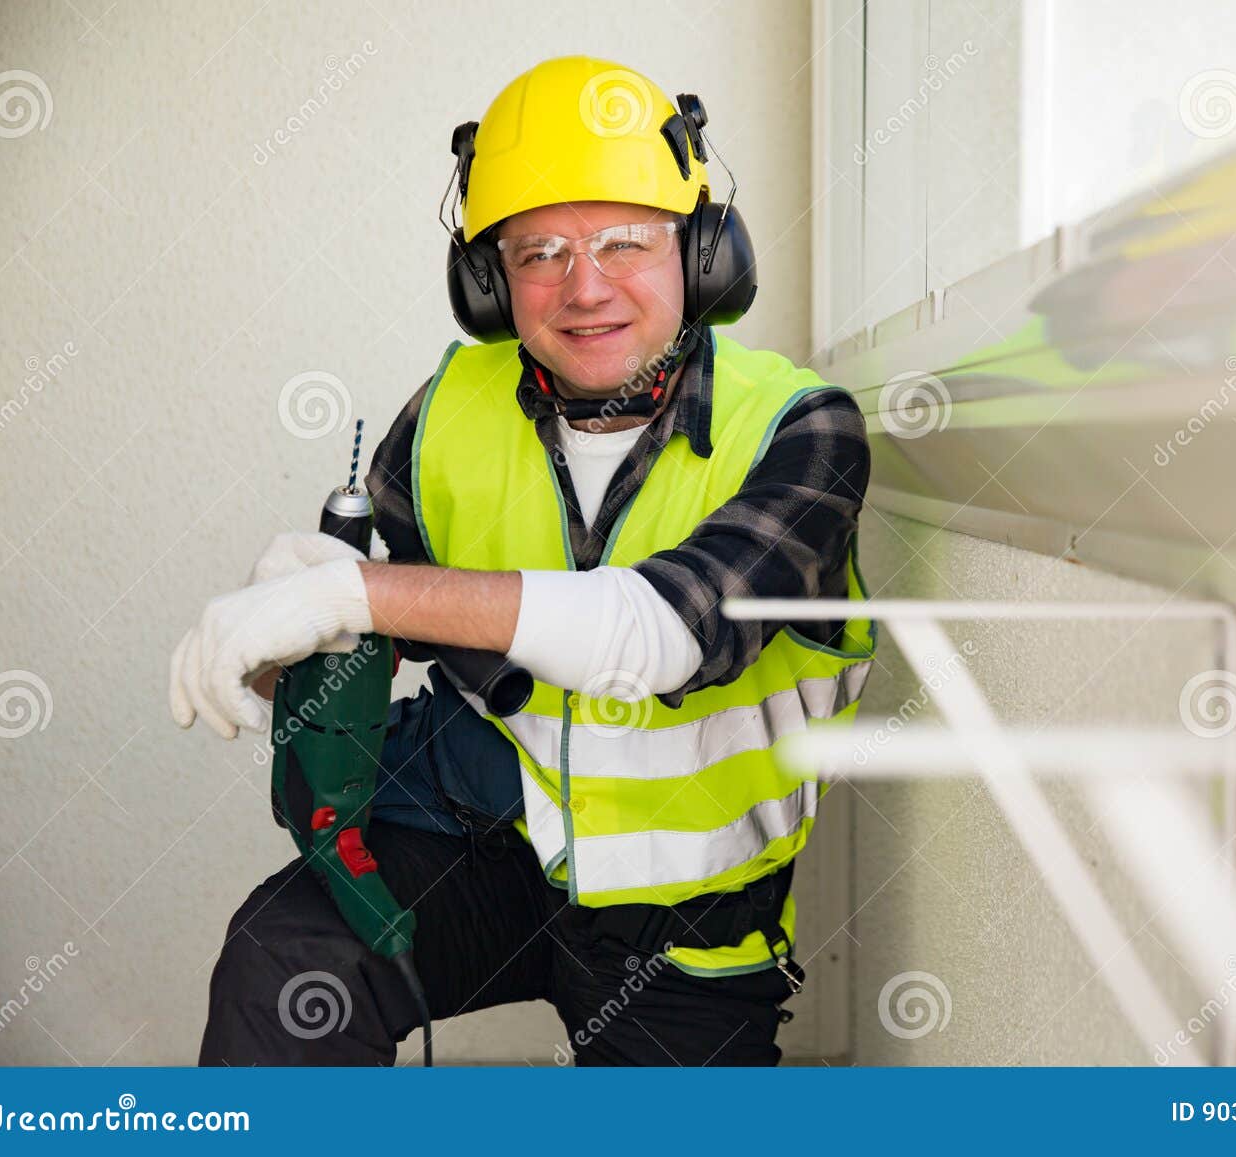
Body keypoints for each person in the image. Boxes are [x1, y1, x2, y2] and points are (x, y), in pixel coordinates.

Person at [170, 55, 875, 1066]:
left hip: (686, 926)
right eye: (540, 250)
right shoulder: (450, 414)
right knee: (284, 961)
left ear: (705, 251)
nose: (583, 288)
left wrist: (357, 588)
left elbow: (663, 632)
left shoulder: (802, 429)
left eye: (625, 240)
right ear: (489, 278)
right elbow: (403, 617)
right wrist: (300, 635)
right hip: (487, 842)